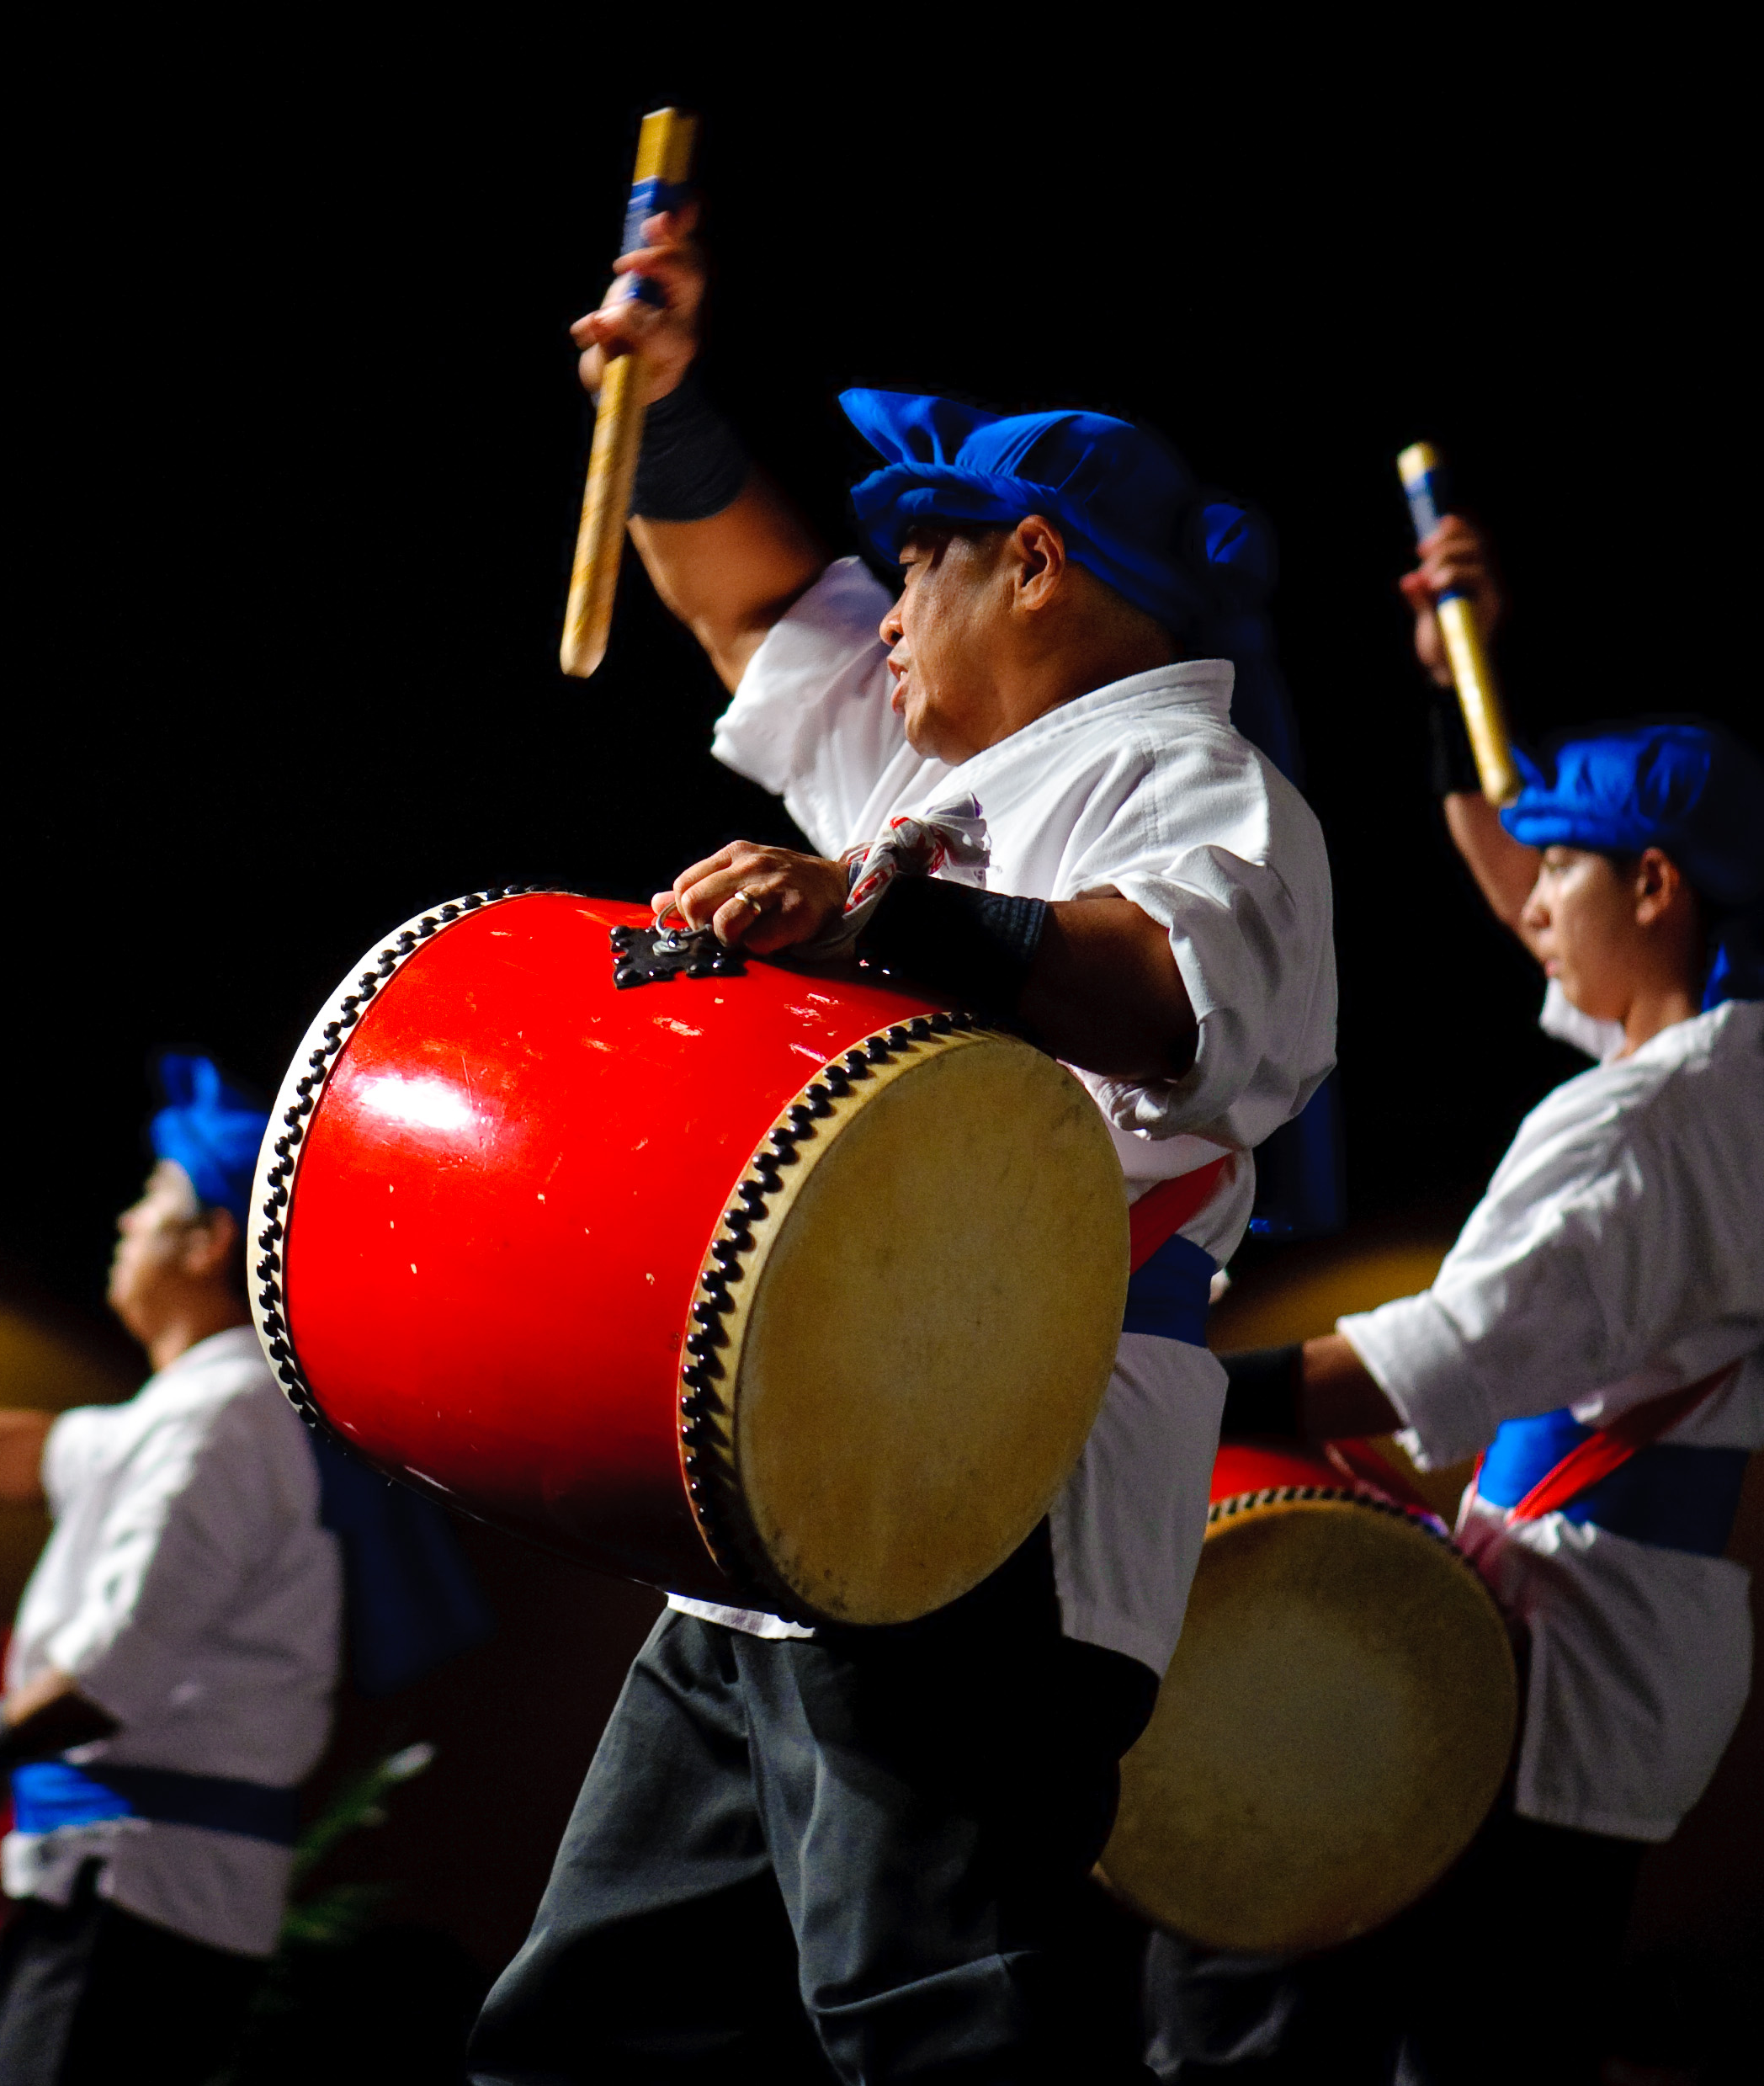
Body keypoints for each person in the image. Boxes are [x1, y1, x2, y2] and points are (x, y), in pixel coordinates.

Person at [462, 203, 1338, 2084]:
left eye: (916, 567)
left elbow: (1163, 997)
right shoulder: (933, 771)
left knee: (944, 2033)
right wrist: (666, 402)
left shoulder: (1196, 787)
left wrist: (877, 920)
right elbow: (744, 607)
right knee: (584, 2034)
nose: (880, 616)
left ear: (1032, 566)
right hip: (802, 1491)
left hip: (997, 1501)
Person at [1145, 519, 1764, 2084]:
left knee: (1383, 2020)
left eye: (1563, 862)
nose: (1531, 898)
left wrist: (1162, 1386)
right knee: (1472, 2027)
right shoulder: (1740, 1071)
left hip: (1564, 1656)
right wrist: (1460, 684)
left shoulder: (1652, 1123)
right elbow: (1524, 888)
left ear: (1656, 884)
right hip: (1613, 1639)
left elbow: (1440, 1356)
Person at [0, 1056, 482, 2086]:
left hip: (144, 1898)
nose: (123, 1222)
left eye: (148, 1201)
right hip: (99, 1889)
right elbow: (37, 1453)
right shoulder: (189, 1412)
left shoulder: (226, 1423)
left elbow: (113, 1677)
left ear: (207, 1241)